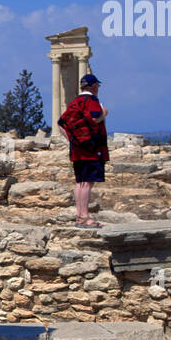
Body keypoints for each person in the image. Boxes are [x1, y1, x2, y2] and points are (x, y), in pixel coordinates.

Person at [58, 73, 109, 228]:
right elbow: (94, 118)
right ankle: (85, 217)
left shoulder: (75, 102)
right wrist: (103, 114)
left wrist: (73, 141)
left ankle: (80, 216)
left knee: (80, 182)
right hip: (92, 148)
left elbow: (61, 123)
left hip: (78, 149)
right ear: (93, 86)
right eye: (97, 86)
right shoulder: (91, 101)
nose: (98, 89)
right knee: (88, 183)